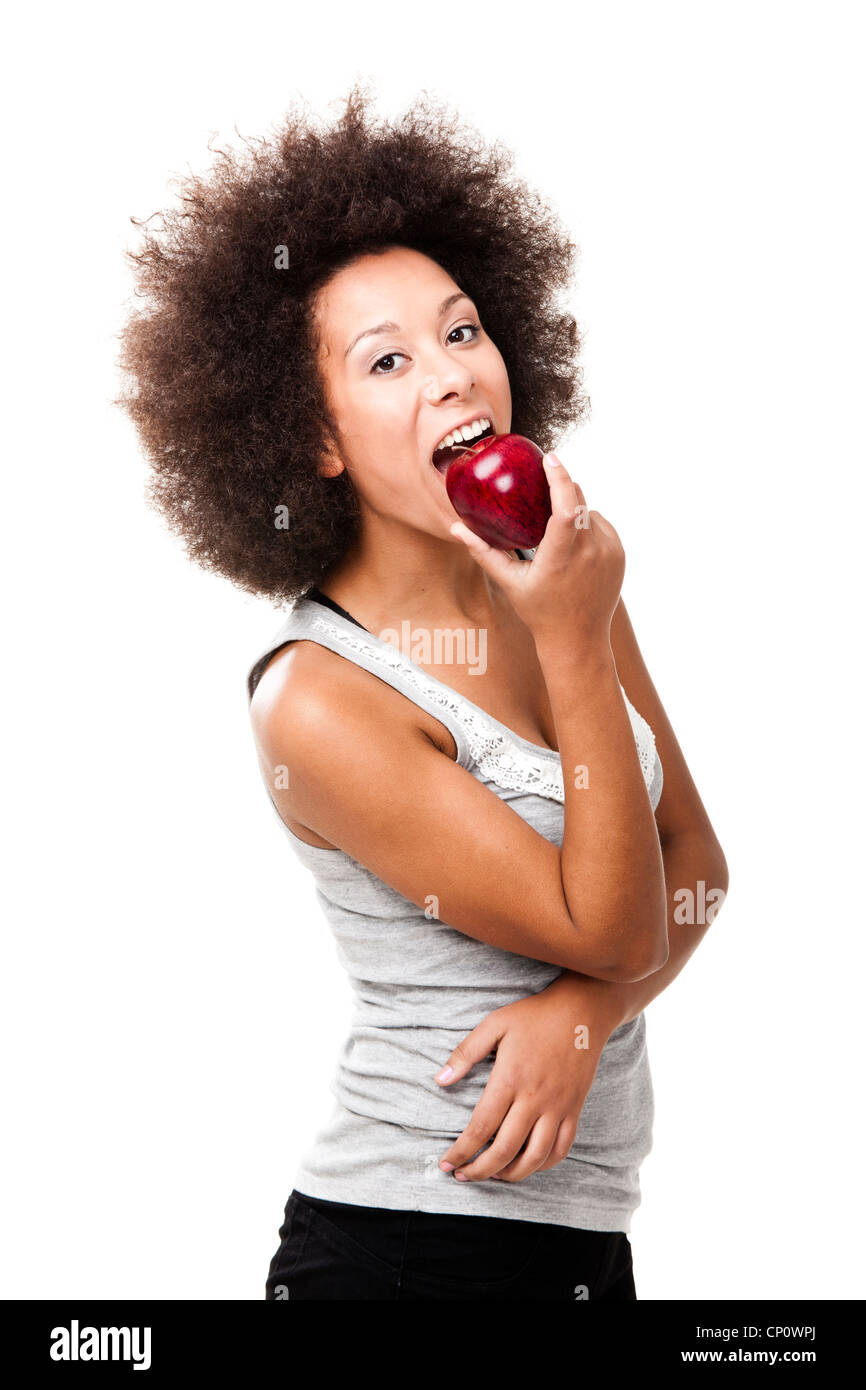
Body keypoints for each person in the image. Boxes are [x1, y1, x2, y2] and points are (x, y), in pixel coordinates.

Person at [118, 83, 729, 1301]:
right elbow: (613, 920)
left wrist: (582, 1016)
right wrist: (569, 636)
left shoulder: (551, 571)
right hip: (406, 1243)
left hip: (582, 1246)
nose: (450, 378)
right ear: (314, 437)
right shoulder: (319, 696)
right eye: (385, 361)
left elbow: (694, 862)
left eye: (460, 332)